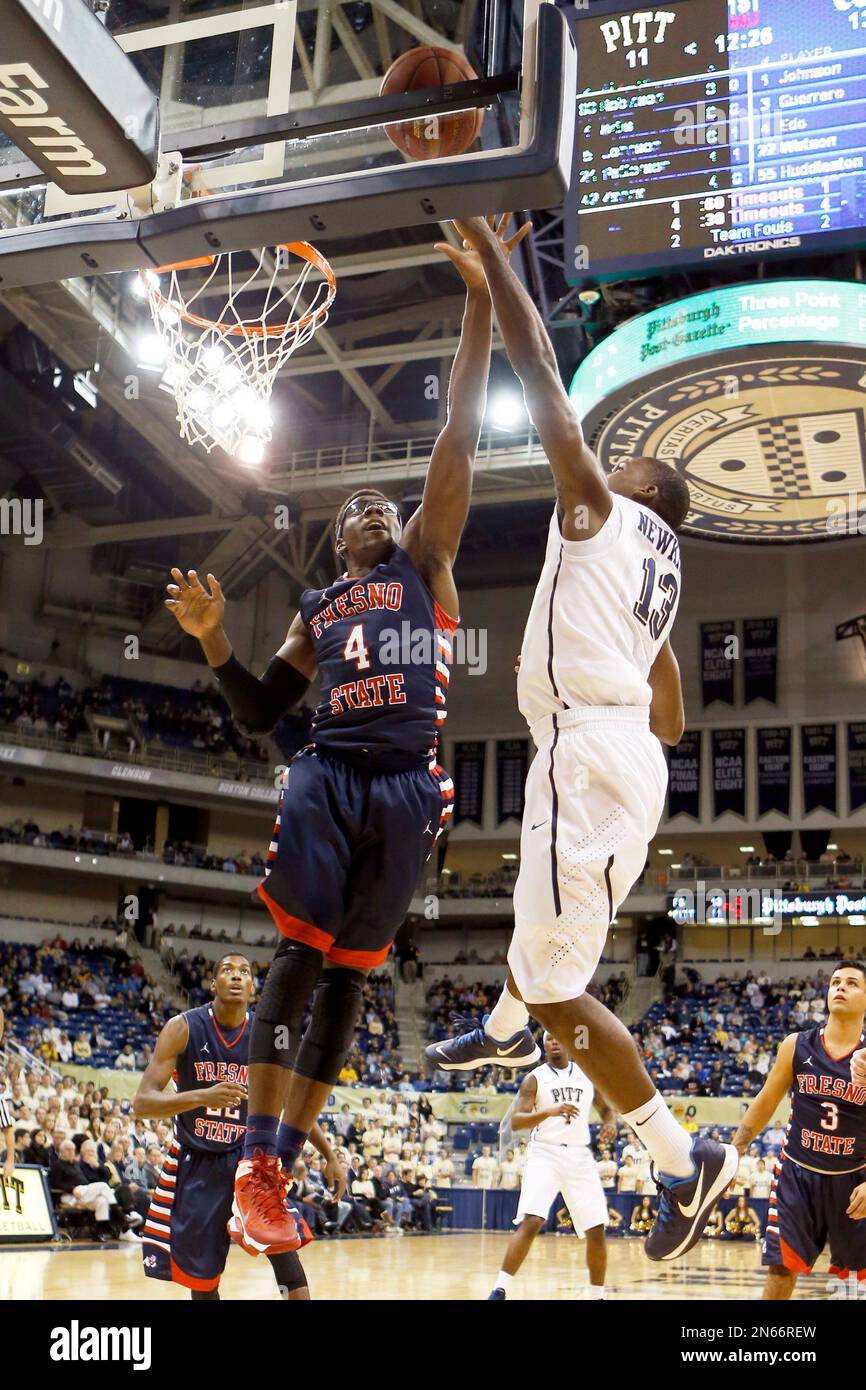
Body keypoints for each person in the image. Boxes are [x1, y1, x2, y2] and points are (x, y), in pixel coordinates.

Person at [164, 217, 529, 1256]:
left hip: (409, 786)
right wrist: (212, 641)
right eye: (351, 507)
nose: (369, 502)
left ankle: (278, 1158)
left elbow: (454, 434)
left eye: (381, 498)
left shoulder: (425, 564)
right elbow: (255, 711)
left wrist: (473, 300)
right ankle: (253, 1161)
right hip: (326, 772)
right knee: (298, 955)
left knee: (353, 976)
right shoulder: (318, 607)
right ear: (336, 543)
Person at [425, 214, 736, 1263]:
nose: (609, 460)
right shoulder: (658, 580)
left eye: (626, 462)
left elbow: (545, 381)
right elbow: (675, 719)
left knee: (560, 982)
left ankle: (676, 1155)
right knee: (540, 954)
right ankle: (506, 1029)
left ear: (638, 491)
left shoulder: (603, 508)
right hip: (620, 754)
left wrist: (500, 269)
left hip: (587, 750)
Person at [133, 953, 332, 1299]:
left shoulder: (268, 1035)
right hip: (199, 1165)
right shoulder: (182, 1028)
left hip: (250, 1165)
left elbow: (292, 1101)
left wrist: (330, 1154)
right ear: (213, 983)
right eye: (227, 970)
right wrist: (200, 1096)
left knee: (288, 1263)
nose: (237, 977)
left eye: (245, 971)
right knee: (204, 1280)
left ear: (254, 988)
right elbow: (143, 1103)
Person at [732, 962, 866, 1298]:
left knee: (855, 1284)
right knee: (780, 1273)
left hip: (853, 1179)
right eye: (835, 982)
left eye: (852, 983)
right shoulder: (797, 1045)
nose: (840, 987)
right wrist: (735, 1151)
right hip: (797, 1175)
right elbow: (765, 1102)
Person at [488, 1034, 614, 1300]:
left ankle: (598, 1296)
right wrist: (549, 1111)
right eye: (549, 1039)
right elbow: (517, 1121)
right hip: (544, 1152)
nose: (555, 1042)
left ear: (568, 1042)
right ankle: (500, 1288)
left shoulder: (586, 1073)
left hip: (579, 1156)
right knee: (532, 1220)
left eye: (559, 1038)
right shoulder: (535, 1078)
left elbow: (605, 1107)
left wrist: (610, 1123)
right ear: (544, 1045)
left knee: (596, 1227)